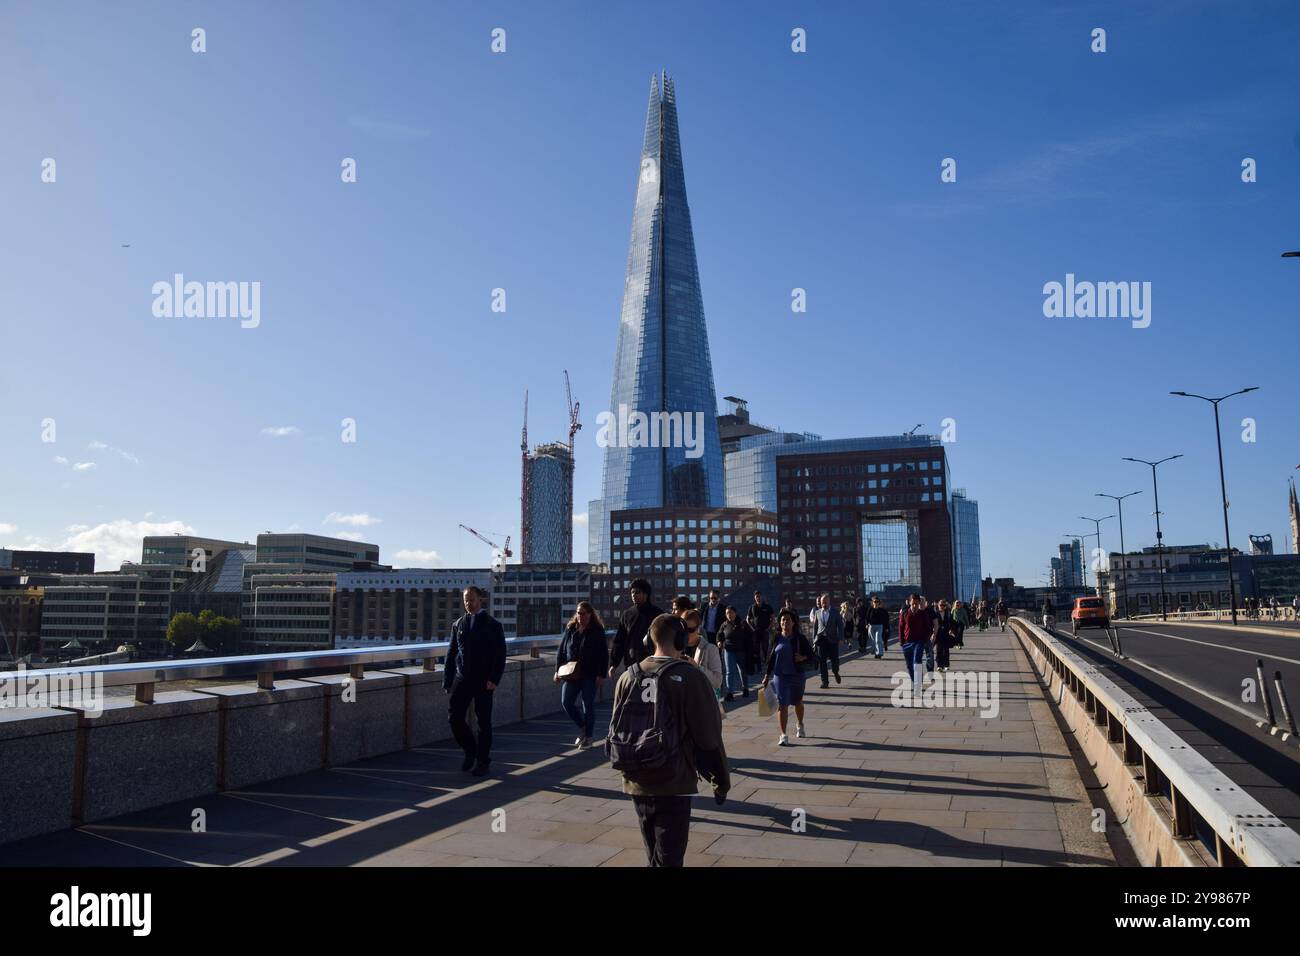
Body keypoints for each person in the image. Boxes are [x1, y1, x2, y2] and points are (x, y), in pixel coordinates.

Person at [608, 613, 730, 867]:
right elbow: (708, 736)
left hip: (635, 779)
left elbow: (615, 728)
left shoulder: (628, 677)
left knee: (654, 851)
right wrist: (720, 779)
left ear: (648, 640)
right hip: (673, 780)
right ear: (681, 640)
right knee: (669, 858)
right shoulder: (689, 677)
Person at [444, 586, 507, 776]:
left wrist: (494, 678)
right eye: (465, 600)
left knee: (483, 722)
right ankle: (470, 749)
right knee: (454, 717)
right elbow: (451, 653)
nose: (468, 603)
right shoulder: (458, 625)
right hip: (462, 678)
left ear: (480, 600)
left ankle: (483, 761)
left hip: (484, 680)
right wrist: (447, 680)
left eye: (471, 600)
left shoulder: (492, 625)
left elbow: (500, 654)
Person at [554, 601, 609, 749]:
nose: (579, 616)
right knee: (566, 702)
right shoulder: (571, 628)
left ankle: (589, 738)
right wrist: (557, 670)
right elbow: (561, 650)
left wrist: (601, 675)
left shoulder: (597, 630)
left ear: (590, 614)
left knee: (588, 704)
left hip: (590, 673)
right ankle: (583, 727)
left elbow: (603, 654)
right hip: (571, 672)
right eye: (578, 612)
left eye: (583, 613)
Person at [759, 608, 817, 745]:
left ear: (793, 623)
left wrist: (802, 657)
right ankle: (783, 735)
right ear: (780, 623)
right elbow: (770, 658)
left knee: (798, 703)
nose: (785, 622)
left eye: (788, 620)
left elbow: (812, 656)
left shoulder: (799, 638)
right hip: (780, 677)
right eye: (783, 619)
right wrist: (767, 675)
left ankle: (800, 724)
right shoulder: (775, 638)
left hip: (797, 676)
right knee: (782, 705)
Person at [608, 579, 663, 678]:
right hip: (631, 661)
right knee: (632, 690)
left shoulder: (658, 614)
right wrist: (614, 663)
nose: (633, 595)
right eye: (632, 592)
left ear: (646, 594)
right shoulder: (627, 614)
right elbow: (620, 640)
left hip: (652, 661)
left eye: (637, 592)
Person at [683, 609, 723, 698]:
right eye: (683, 629)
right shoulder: (675, 648)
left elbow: (717, 681)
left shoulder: (710, 649)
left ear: (698, 629)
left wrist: (696, 667)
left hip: (701, 703)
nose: (686, 633)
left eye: (690, 630)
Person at [899, 593, 937, 686]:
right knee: (910, 666)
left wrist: (925, 639)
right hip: (907, 643)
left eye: (917, 604)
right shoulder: (904, 613)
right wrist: (902, 642)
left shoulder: (923, 614)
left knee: (917, 662)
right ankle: (915, 681)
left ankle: (918, 685)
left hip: (919, 642)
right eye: (913, 604)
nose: (915, 606)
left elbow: (928, 628)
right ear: (909, 603)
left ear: (919, 603)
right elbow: (901, 627)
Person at [718, 605, 753, 701]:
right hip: (728, 651)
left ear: (735, 613)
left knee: (742, 671)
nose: (729, 615)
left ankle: (745, 688)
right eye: (727, 613)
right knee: (729, 672)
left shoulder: (742, 623)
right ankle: (730, 693)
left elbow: (750, 634)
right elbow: (719, 634)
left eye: (730, 612)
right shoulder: (724, 624)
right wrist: (719, 641)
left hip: (740, 651)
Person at [811, 593, 843, 687]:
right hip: (821, 640)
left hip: (833, 640)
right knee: (822, 662)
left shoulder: (835, 612)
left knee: (835, 660)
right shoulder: (817, 613)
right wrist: (814, 641)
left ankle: (836, 672)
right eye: (822, 602)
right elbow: (815, 628)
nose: (823, 604)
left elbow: (840, 626)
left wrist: (841, 638)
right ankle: (825, 682)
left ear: (829, 602)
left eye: (825, 602)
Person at [746, 590, 774, 676]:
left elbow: (773, 618)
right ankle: (759, 668)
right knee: (756, 650)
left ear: (762, 597)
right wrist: (752, 628)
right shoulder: (752, 607)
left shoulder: (767, 606)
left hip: (765, 631)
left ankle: (767, 668)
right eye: (756, 596)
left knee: (766, 649)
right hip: (756, 632)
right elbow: (747, 619)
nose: (758, 598)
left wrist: (768, 628)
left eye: (759, 596)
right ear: (754, 598)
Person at [935, 600, 957, 672]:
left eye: (943, 605)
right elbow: (932, 623)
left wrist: (951, 629)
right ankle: (939, 665)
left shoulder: (948, 613)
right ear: (938, 605)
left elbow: (952, 622)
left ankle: (946, 665)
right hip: (938, 634)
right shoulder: (935, 613)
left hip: (946, 633)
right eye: (940, 605)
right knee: (939, 650)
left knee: (946, 650)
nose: (942, 606)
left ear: (945, 606)